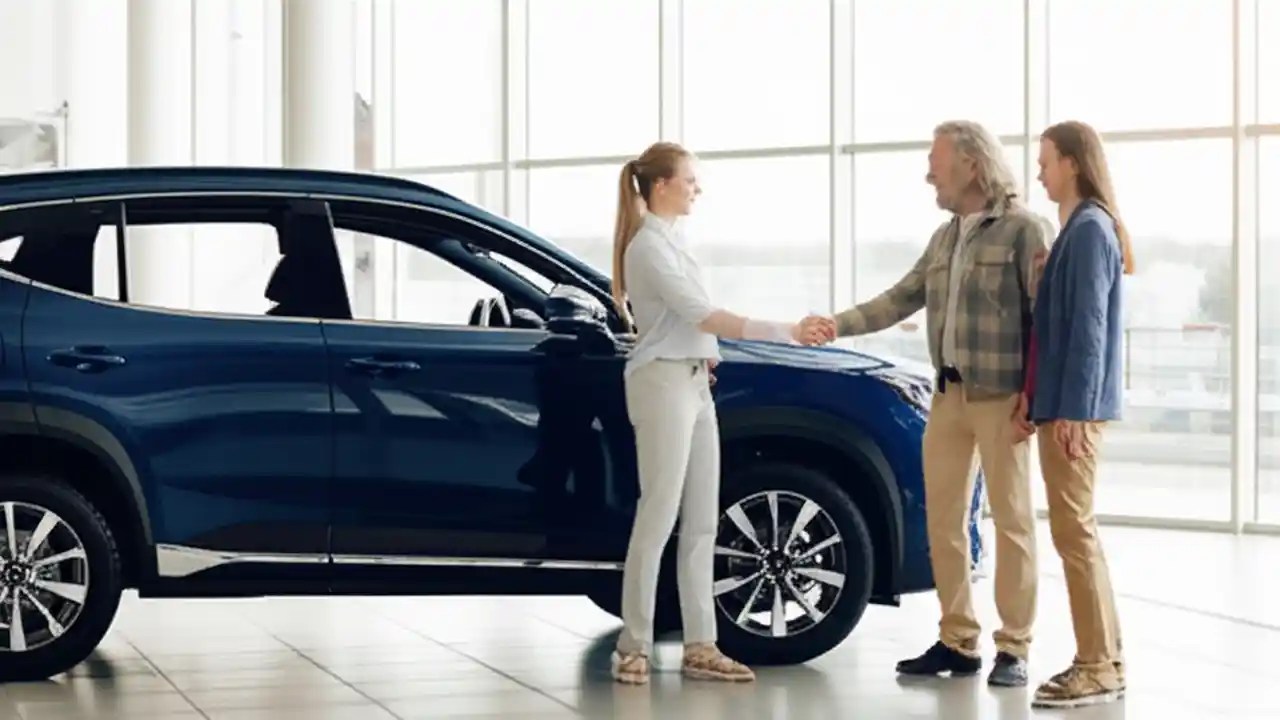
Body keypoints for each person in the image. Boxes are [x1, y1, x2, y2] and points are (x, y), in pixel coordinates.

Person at [820, 121, 1051, 687]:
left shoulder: (1025, 229)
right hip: (948, 398)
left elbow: (1047, 320)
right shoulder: (946, 237)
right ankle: (958, 641)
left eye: (936, 162)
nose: (929, 174)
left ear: (971, 164)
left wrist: (1036, 399)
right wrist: (836, 326)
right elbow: (900, 297)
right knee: (943, 522)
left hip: (1002, 399)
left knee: (1013, 522)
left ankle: (1014, 647)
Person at [609, 141, 833, 685]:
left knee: (704, 521)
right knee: (658, 515)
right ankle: (632, 645)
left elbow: (691, 324)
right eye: (689, 180)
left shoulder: (674, 242)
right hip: (662, 383)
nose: (697, 189)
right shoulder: (648, 248)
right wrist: (787, 332)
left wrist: (706, 355)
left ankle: (700, 645)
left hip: (692, 382)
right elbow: (701, 313)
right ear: (661, 185)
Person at [1022, 120, 1130, 709]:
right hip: (1063, 404)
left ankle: (1096, 665)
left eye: (1045, 161)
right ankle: (1105, 656)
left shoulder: (1089, 230)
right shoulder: (1079, 231)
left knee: (1074, 532)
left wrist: (1075, 412)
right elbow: (1064, 321)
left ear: (1072, 163)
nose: (1039, 171)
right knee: (1077, 531)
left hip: (1073, 409)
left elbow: (1088, 328)